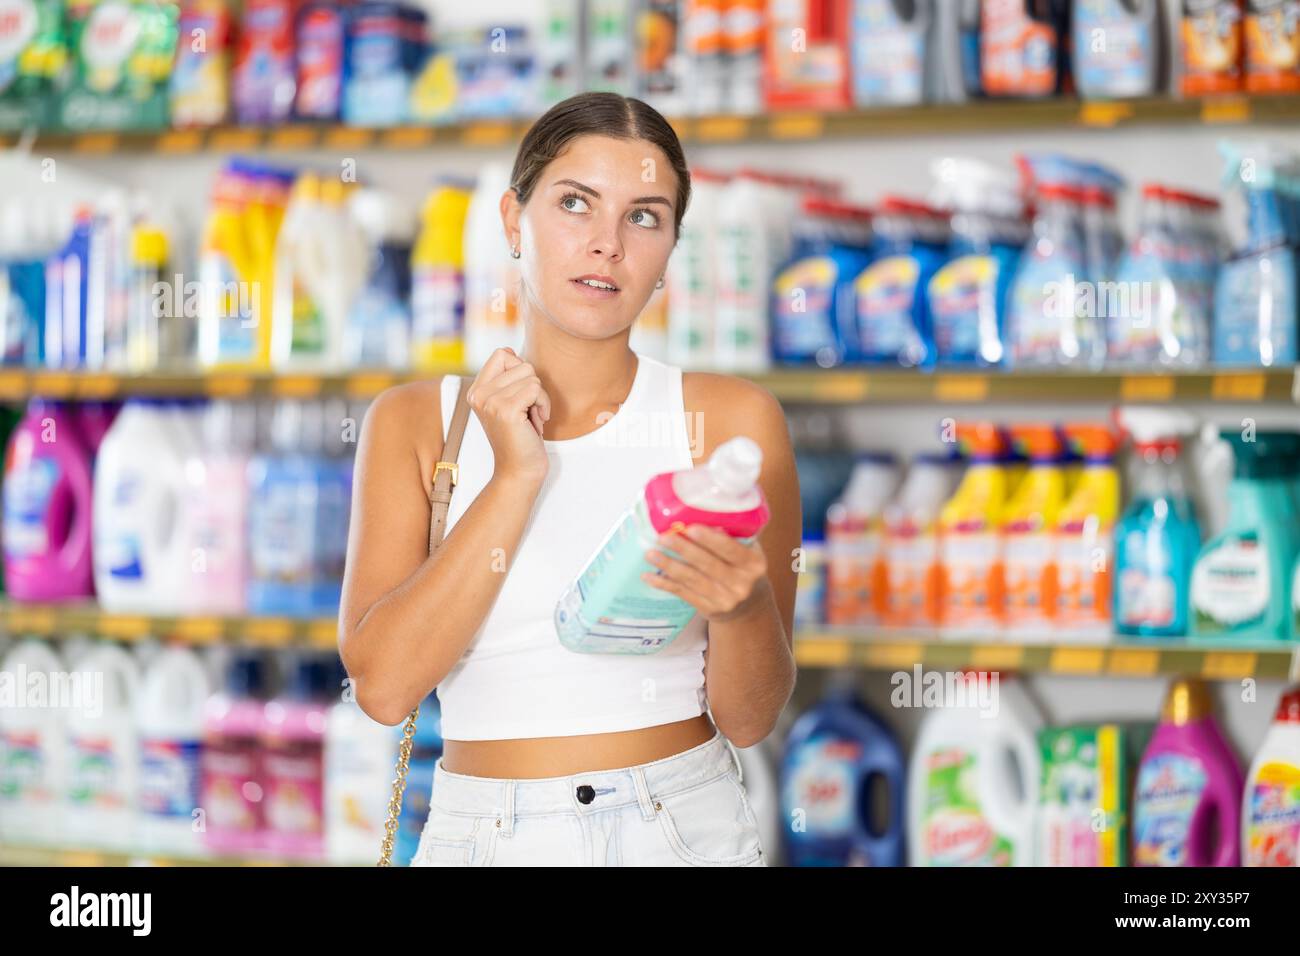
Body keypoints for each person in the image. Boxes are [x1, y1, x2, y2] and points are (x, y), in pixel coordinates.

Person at [339, 91, 800, 866]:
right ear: (514, 221)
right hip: (483, 837)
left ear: (670, 250)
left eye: (644, 216)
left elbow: (750, 719)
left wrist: (745, 606)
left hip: (681, 828)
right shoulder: (421, 424)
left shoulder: (731, 425)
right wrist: (515, 476)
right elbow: (383, 689)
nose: (607, 245)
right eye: (576, 204)